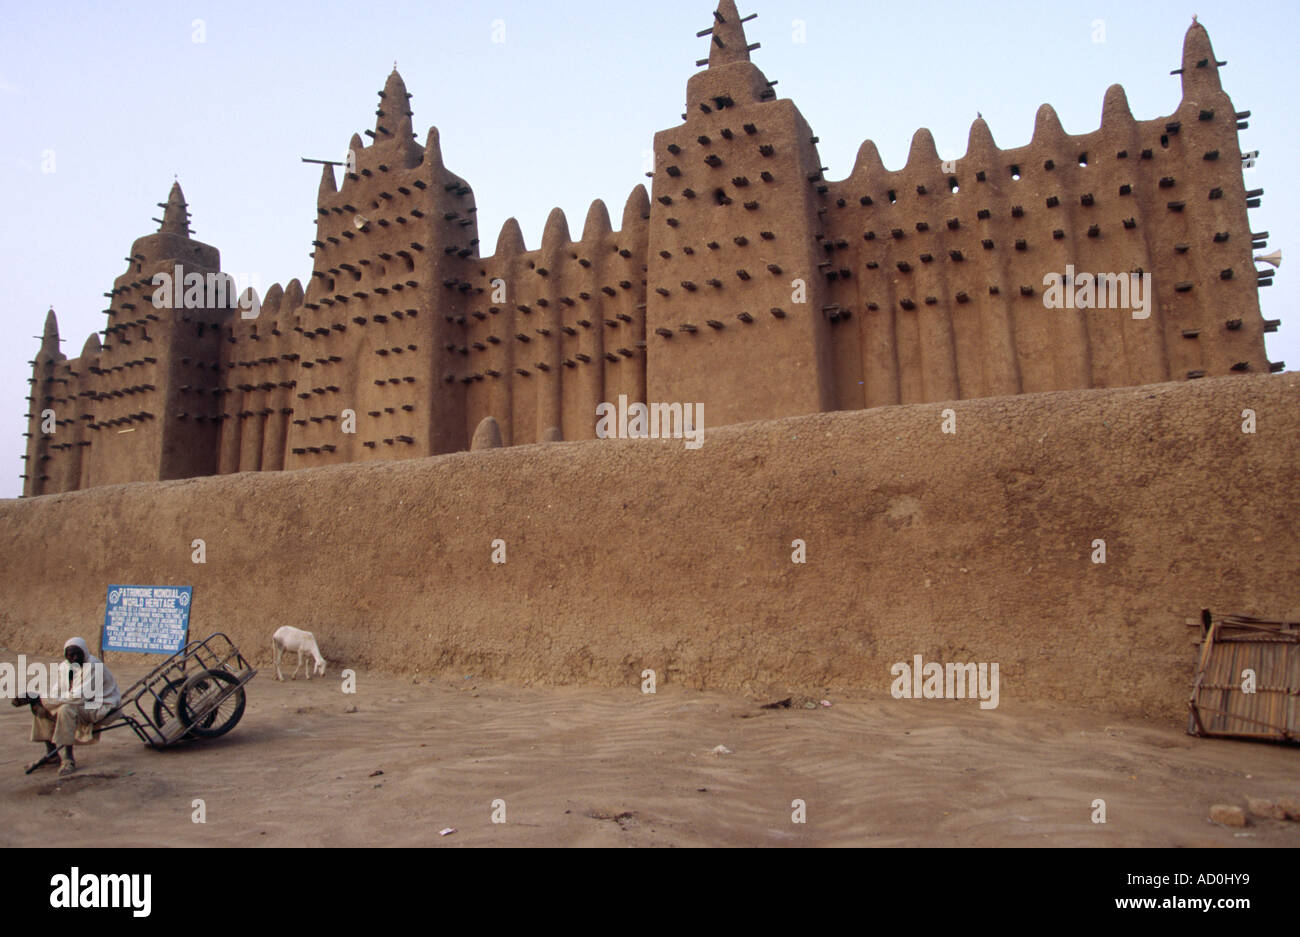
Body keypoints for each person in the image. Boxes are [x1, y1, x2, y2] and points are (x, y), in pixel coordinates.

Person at [11, 637, 121, 777]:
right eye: (70, 655)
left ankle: (68, 758)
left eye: (77, 654)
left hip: (101, 705)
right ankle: (52, 755)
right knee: (40, 707)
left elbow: (79, 697)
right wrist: (38, 699)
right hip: (79, 702)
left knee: (65, 709)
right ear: (65, 655)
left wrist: (43, 698)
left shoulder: (93, 667)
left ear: (85, 653)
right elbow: (58, 691)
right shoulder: (65, 666)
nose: (74, 658)